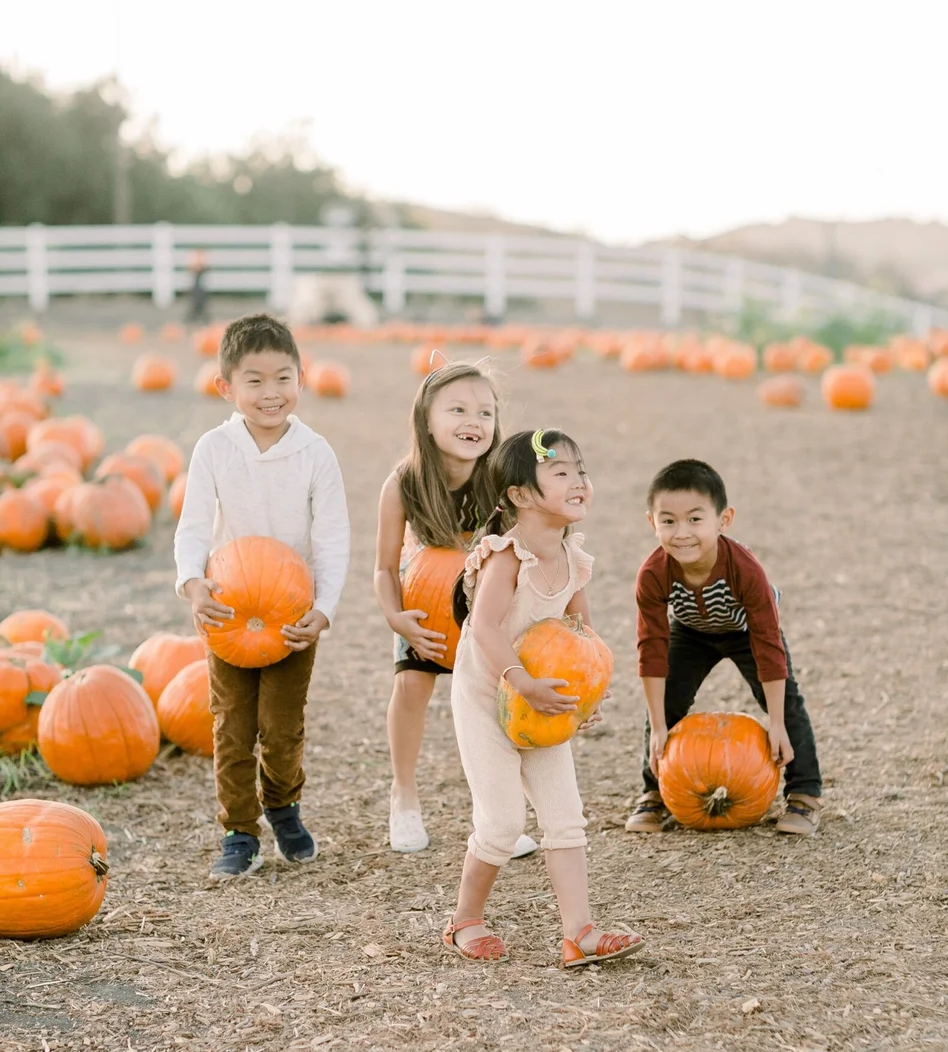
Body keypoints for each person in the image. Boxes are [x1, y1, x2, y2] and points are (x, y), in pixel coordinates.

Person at [444, 428, 643, 967]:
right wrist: (521, 681)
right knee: (502, 823)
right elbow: (485, 629)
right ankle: (465, 921)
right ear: (520, 495)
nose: (579, 481)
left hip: (542, 701)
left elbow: (582, 635)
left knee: (565, 816)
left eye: (581, 471)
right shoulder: (507, 557)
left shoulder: (573, 559)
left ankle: (579, 933)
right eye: (561, 472)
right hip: (487, 698)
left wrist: (585, 698)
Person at [174, 313, 350, 880]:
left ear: (301, 378)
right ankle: (239, 829)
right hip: (228, 611)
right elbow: (193, 525)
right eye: (254, 380)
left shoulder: (315, 453)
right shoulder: (214, 449)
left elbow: (332, 537)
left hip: (293, 615)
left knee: (281, 727)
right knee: (231, 727)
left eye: (282, 378)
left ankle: (282, 804)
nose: (271, 392)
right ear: (226, 387)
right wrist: (192, 582)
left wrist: (324, 609)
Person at [373, 360, 537, 859]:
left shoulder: (501, 480)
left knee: (491, 703)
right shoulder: (403, 483)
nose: (474, 422)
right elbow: (384, 568)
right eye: (458, 410)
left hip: (486, 603)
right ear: (426, 420)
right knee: (411, 686)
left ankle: (495, 811)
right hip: (425, 600)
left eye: (485, 412)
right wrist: (395, 617)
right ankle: (404, 795)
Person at [627, 458, 821, 838]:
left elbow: (768, 645)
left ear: (723, 520)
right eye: (669, 521)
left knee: (787, 706)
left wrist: (776, 724)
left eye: (695, 519)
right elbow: (651, 648)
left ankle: (805, 793)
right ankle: (655, 791)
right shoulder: (653, 573)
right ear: (652, 523)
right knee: (668, 701)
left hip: (746, 631)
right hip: (691, 631)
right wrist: (658, 726)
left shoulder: (745, 570)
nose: (682, 533)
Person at [187, 248, 209, 324]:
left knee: (199, 297)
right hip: (197, 282)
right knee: (195, 298)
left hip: (199, 282)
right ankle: (195, 314)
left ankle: (198, 313)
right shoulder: (193, 259)